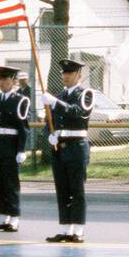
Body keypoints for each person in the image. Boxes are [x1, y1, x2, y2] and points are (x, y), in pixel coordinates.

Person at [40, 59, 95, 244]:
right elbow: (49, 122)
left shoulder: (86, 94)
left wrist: (55, 103)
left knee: (76, 189)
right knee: (62, 189)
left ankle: (78, 230)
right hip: (60, 147)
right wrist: (49, 135)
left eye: (70, 73)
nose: (65, 77)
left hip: (76, 147)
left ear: (79, 75)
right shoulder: (59, 95)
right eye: (64, 73)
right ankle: (65, 229)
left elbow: (77, 112)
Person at [0, 66, 30, 232]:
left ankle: (14, 217)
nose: (2, 82)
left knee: (11, 183)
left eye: (5, 79)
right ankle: (3, 216)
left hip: (11, 146)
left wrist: (21, 150)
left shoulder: (20, 100)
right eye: (0, 79)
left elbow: (23, 127)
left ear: (14, 81)